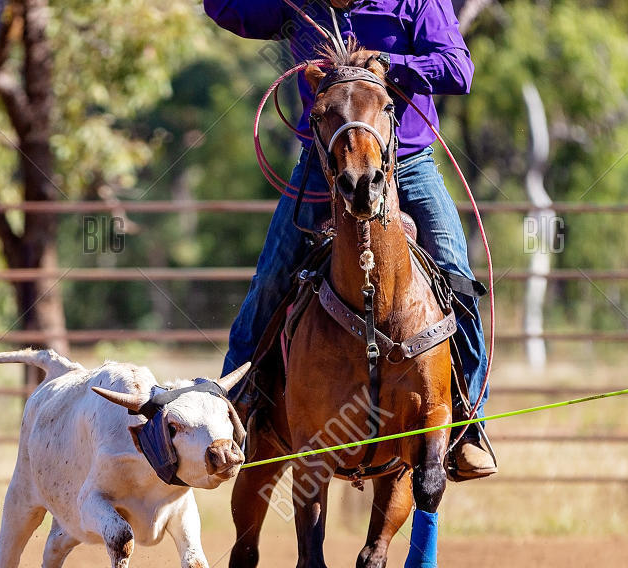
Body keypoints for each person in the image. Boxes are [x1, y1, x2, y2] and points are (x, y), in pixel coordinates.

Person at [204, 0, 496, 479]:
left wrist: (390, 65)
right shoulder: (297, 6)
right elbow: (227, 10)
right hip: (324, 166)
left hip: (409, 163)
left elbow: (457, 69)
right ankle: (234, 412)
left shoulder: (417, 3)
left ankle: (467, 424)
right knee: (272, 278)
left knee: (456, 276)